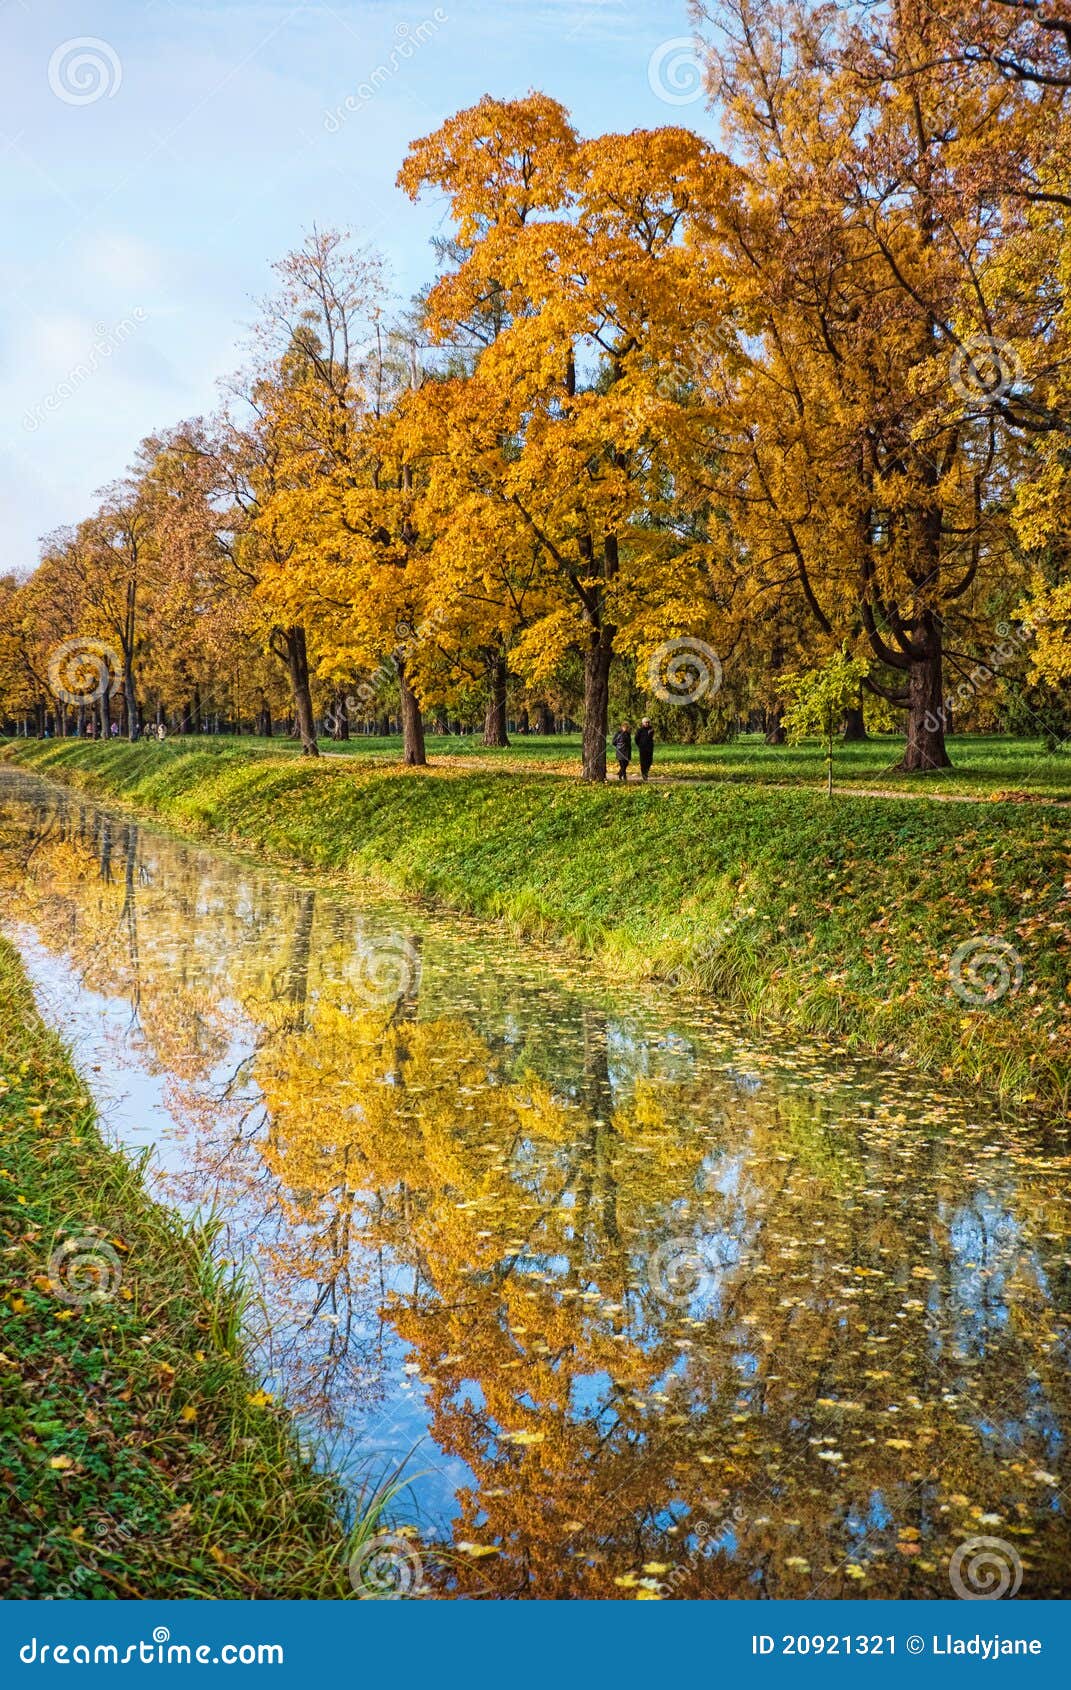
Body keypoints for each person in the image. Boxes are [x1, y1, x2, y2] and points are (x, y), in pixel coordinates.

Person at [635, 717, 655, 782]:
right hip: (642, 748)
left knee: (649, 761)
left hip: (649, 748)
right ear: (642, 723)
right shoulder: (640, 730)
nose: (647, 723)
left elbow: (650, 738)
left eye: (648, 722)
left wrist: (649, 734)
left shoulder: (651, 729)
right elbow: (636, 739)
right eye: (645, 722)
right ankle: (644, 774)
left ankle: (646, 772)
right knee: (643, 762)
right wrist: (640, 745)